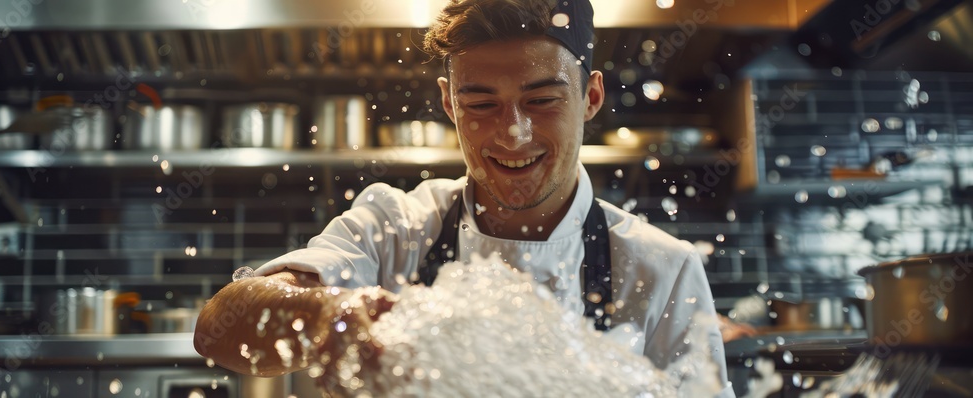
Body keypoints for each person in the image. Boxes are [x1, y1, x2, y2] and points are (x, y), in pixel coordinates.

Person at [195, 0, 735, 396]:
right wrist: (331, 313)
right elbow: (220, 327)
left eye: (542, 100)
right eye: (481, 104)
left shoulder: (665, 269)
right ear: (449, 105)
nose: (513, 133)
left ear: (591, 96)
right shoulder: (396, 227)